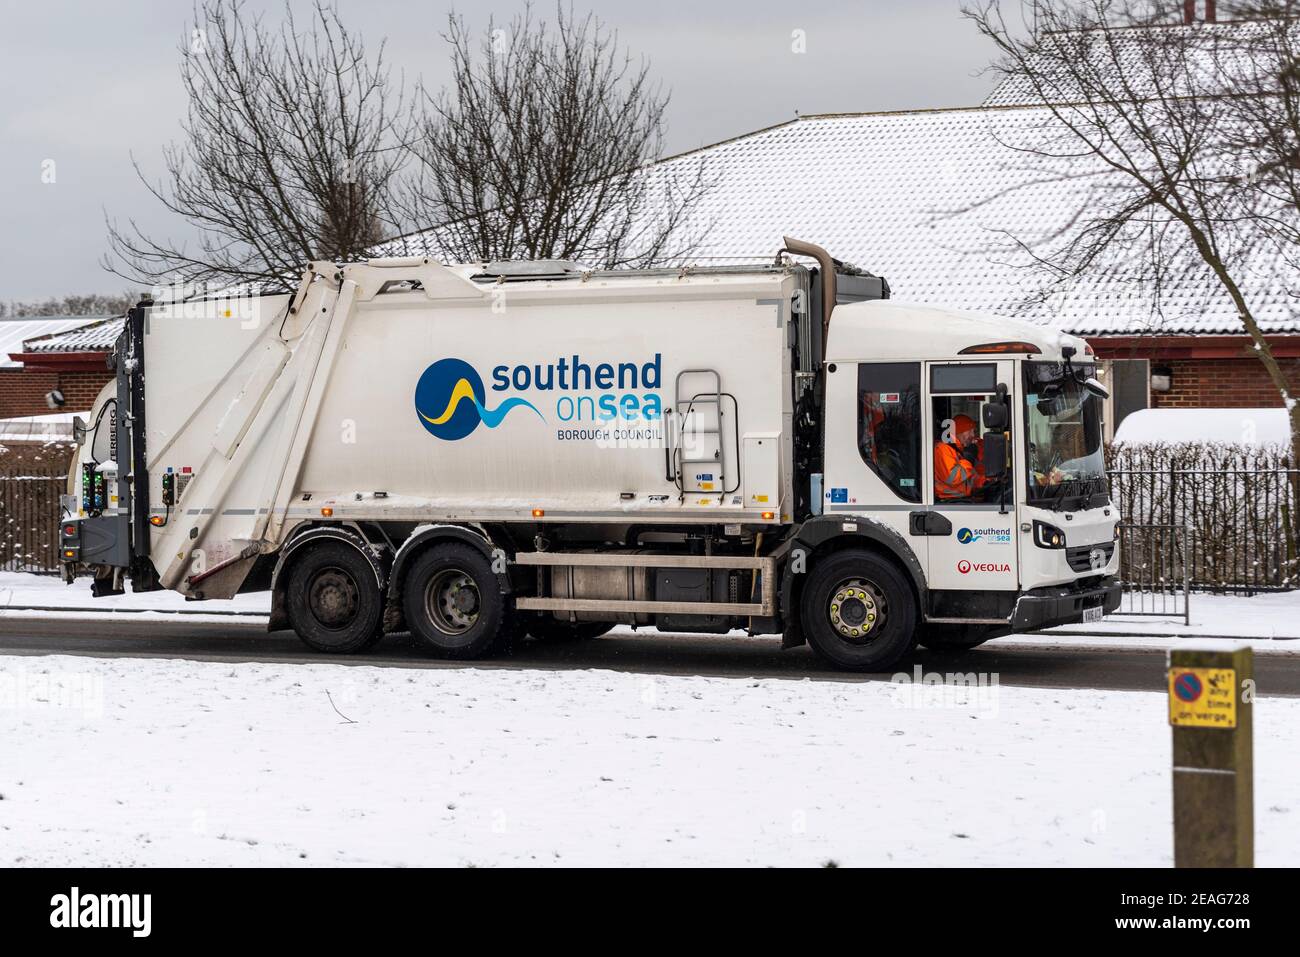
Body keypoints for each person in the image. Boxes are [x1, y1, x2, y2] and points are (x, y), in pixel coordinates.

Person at [934, 413, 984, 500]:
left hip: (962, 499)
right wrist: (968, 459)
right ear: (958, 432)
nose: (973, 435)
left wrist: (984, 482)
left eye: (973, 431)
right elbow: (953, 479)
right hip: (948, 502)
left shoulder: (959, 450)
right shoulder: (943, 449)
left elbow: (971, 477)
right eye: (969, 431)